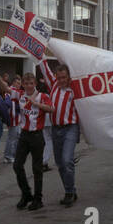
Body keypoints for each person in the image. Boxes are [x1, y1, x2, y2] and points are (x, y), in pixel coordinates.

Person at [5, 72, 53, 210]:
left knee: (37, 169)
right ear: (23, 85)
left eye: (31, 83)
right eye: (26, 83)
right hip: (24, 135)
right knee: (17, 165)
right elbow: (7, 89)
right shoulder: (21, 95)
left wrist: (36, 104)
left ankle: (38, 199)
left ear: (35, 84)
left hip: (37, 135)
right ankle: (26, 194)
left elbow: (51, 109)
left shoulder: (42, 96)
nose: (29, 86)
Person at [40, 59, 80, 206]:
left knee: (67, 160)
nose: (62, 80)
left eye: (64, 77)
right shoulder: (54, 85)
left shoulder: (75, 89)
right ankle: (71, 190)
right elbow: (44, 66)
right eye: (59, 78)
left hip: (70, 127)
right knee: (60, 163)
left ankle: (69, 192)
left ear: (69, 77)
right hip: (56, 128)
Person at [2, 74, 22, 166]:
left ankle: (11, 155)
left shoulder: (16, 91)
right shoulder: (10, 91)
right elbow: (10, 104)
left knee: (15, 137)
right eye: (18, 83)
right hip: (13, 117)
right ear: (14, 82)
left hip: (17, 118)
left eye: (20, 83)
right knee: (12, 138)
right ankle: (8, 156)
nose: (19, 84)